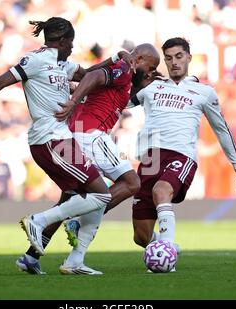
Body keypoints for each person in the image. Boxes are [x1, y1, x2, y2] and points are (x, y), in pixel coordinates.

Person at [0, 17, 130, 275]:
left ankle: (31, 258)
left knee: (71, 196)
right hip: (50, 141)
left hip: (60, 140)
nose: (72, 47)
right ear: (63, 40)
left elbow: (89, 74)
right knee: (101, 195)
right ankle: (39, 220)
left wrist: (115, 59)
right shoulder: (34, 61)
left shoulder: (63, 64)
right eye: (71, 42)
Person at [17, 43, 160, 275]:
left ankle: (37, 257)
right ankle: (52, 220)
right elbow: (94, 75)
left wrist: (143, 83)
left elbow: (113, 95)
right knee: (130, 183)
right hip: (90, 135)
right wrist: (73, 102)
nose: (151, 72)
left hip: (77, 134)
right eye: (151, 67)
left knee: (72, 199)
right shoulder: (123, 67)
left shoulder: (123, 79)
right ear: (140, 58)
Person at [128, 37, 236, 271]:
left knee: (161, 190)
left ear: (189, 58)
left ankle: (167, 255)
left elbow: (221, 129)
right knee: (141, 237)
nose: (174, 62)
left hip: (181, 155)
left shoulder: (203, 92)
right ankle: (165, 245)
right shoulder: (152, 87)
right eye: (169, 58)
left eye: (179, 56)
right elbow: (120, 104)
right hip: (150, 159)